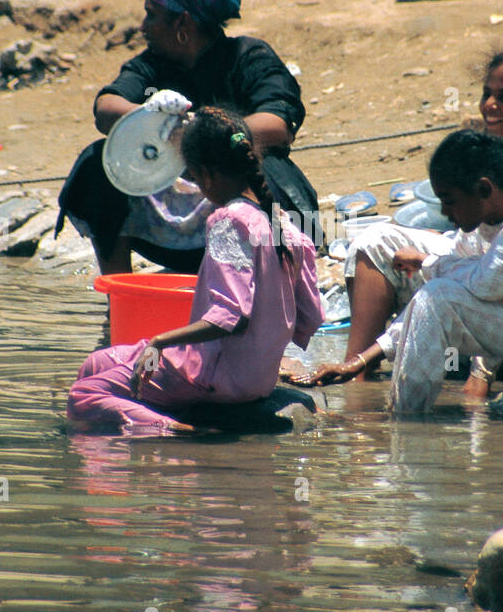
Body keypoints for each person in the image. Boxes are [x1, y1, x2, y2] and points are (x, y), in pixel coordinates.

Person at [295, 130, 503, 415]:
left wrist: (427, 263)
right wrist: (360, 361)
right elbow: (439, 295)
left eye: (449, 201)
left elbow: (489, 284)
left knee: (438, 297)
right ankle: (403, 418)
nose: (443, 212)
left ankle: (404, 423)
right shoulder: (479, 228)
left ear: (484, 189)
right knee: (437, 294)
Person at [67, 107, 324, 435]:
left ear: (205, 175)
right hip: (257, 378)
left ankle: (175, 429)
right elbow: (312, 315)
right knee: (98, 361)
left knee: (84, 394)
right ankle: (154, 412)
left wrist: (160, 341)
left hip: (216, 377)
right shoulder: (286, 227)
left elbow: (231, 317)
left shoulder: (227, 222)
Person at [336, 48, 503, 394]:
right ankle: (356, 371)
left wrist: (480, 377)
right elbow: (477, 241)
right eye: (487, 94)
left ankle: (472, 369)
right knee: (375, 242)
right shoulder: (494, 150)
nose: (490, 105)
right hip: (480, 270)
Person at [56, 0, 318, 273]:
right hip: (168, 208)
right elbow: (106, 108)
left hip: (235, 198)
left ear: (182, 24)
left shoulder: (249, 57)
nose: (143, 27)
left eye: (151, 16)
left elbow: (277, 125)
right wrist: (152, 117)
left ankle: (270, 284)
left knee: (270, 169)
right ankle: (120, 296)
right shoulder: (152, 64)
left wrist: (196, 134)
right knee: (98, 161)